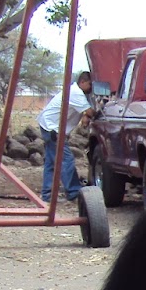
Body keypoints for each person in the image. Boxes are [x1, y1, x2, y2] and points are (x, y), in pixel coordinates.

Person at [39, 70, 93, 203]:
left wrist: (86, 115)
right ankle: (73, 192)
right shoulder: (76, 93)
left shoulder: (75, 92)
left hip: (49, 126)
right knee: (66, 160)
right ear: (83, 82)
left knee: (52, 163)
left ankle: (47, 194)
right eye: (90, 84)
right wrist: (88, 114)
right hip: (52, 128)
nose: (91, 88)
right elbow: (90, 112)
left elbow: (85, 112)